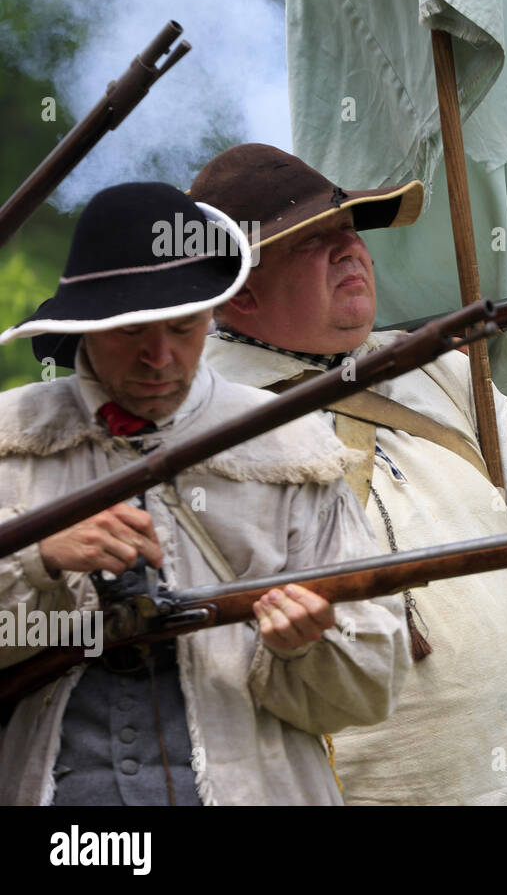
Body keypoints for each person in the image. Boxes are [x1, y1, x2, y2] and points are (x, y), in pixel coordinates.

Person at [191, 143, 507, 805]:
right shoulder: (193, 428)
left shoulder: (452, 378)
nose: (350, 251)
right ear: (241, 290)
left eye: (348, 230)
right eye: (311, 240)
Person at [0, 182, 408, 805]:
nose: (160, 358)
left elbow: (366, 694)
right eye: (132, 331)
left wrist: (308, 644)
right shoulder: (10, 441)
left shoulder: (291, 445)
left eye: (184, 328)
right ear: (86, 327)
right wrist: (40, 558)